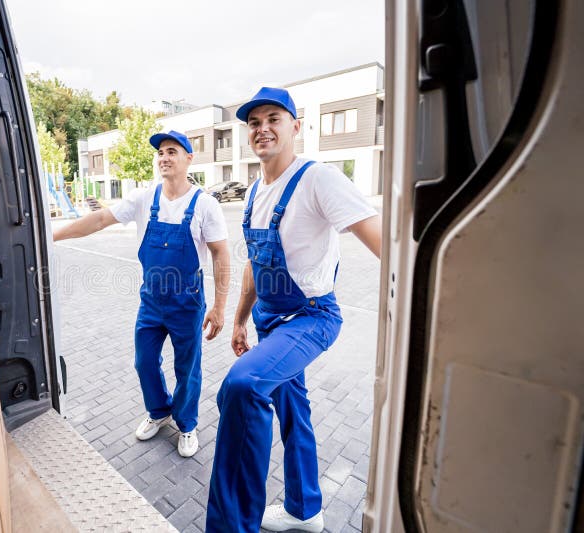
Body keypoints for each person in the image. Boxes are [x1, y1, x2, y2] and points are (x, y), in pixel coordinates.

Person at [205, 88, 381, 532]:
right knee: (293, 411)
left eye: (274, 119)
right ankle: (306, 510)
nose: (262, 128)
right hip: (268, 321)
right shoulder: (253, 194)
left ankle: (232, 526)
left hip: (311, 318)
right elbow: (254, 264)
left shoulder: (318, 179)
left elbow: (387, 242)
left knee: (243, 388)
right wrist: (240, 319)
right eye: (254, 122)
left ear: (296, 127)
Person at [53, 130, 230, 458]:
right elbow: (101, 219)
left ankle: (187, 424)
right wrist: (53, 236)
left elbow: (221, 254)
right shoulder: (144, 198)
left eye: (172, 151)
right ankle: (160, 410)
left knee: (187, 368)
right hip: (151, 299)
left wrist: (219, 307)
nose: (164, 157)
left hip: (187, 302)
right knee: (144, 361)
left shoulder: (205, 205)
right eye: (161, 152)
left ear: (189, 158)